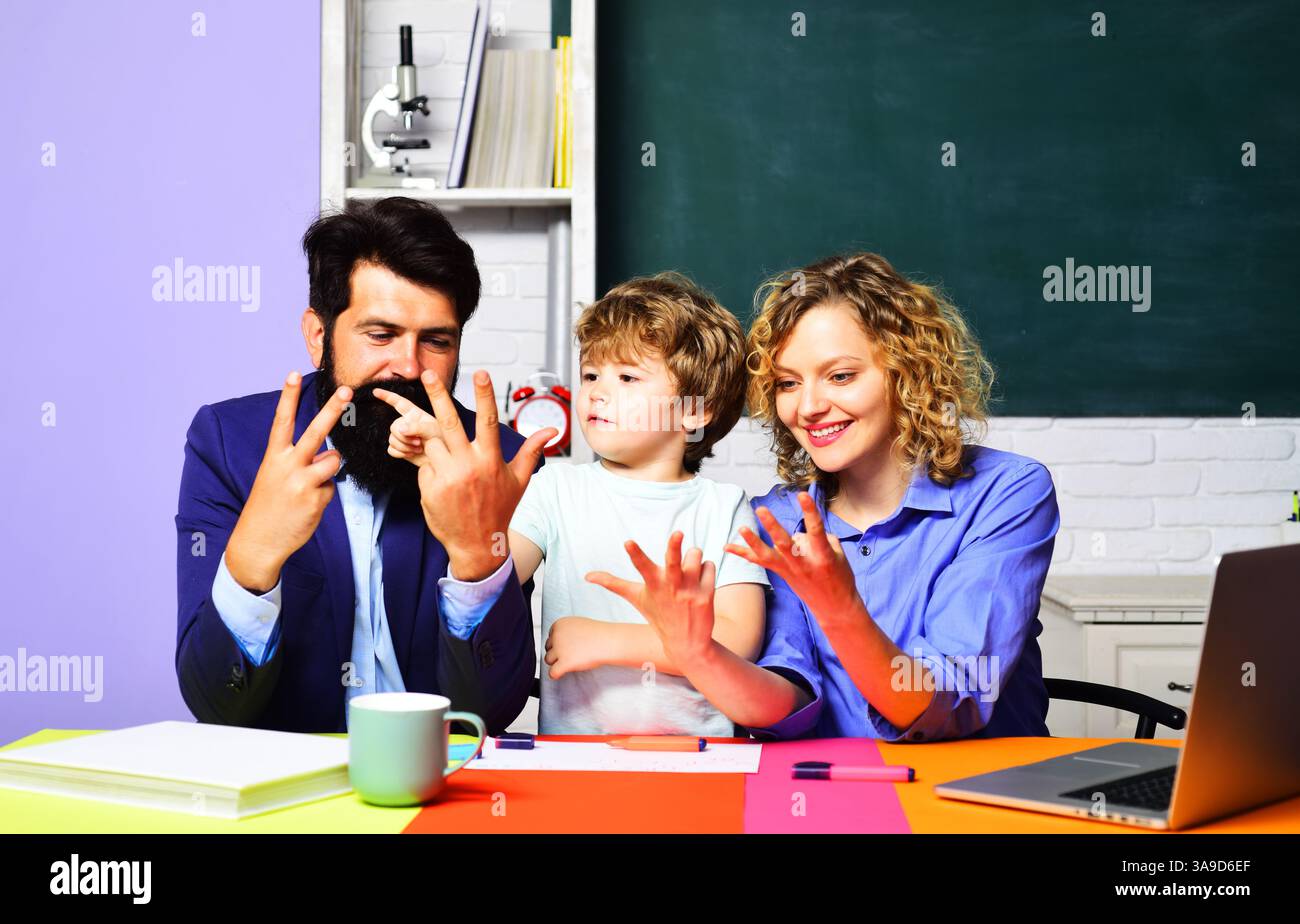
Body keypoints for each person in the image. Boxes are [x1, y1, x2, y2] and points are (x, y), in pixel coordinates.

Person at [592, 253, 1060, 742]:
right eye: (788, 384)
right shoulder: (773, 519)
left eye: (840, 376)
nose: (810, 407)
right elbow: (787, 702)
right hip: (825, 799)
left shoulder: (1006, 493)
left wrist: (841, 610)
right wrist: (697, 653)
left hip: (976, 801)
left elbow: (944, 705)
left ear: (908, 373)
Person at [174, 197, 554, 734]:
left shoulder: (497, 463)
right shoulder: (228, 444)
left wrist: (477, 557)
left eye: (436, 341)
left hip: (437, 788)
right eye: (381, 335)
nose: (407, 365)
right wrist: (252, 559)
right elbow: (215, 705)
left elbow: (489, 714)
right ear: (317, 336)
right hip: (288, 795)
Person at [382, 274, 767, 735]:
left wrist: (610, 641)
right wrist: (443, 469)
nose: (597, 392)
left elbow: (739, 639)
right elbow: (491, 575)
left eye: (626, 377)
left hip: (701, 761)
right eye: (590, 374)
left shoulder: (724, 507)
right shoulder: (555, 489)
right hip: (573, 758)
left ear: (694, 410)